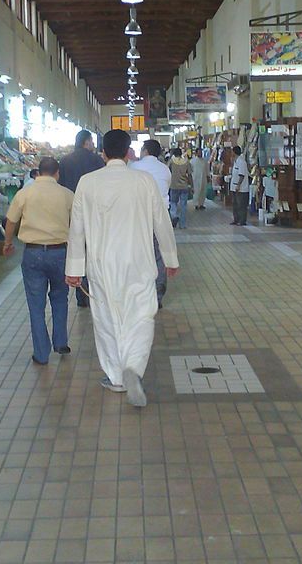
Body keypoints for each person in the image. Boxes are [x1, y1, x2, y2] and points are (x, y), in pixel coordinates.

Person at [66, 129, 179, 407]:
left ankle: (116, 377)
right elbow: (161, 222)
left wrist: (74, 268)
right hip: (139, 261)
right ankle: (134, 367)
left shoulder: (87, 182)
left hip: (102, 264)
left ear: (102, 152)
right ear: (129, 152)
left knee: (106, 318)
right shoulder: (144, 181)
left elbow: (76, 228)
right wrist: (170, 259)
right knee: (142, 316)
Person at [3, 157, 74, 365]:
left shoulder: (25, 193)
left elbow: (11, 221)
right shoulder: (67, 194)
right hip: (60, 252)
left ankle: (41, 354)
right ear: (57, 173)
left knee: (36, 304)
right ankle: (60, 342)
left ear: (38, 173)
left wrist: (8, 242)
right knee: (60, 298)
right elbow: (77, 223)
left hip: (33, 254)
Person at [57, 129, 104, 307]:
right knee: (93, 250)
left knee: (77, 248)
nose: (92, 144)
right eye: (91, 141)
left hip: (72, 211)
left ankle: (81, 294)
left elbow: (61, 186)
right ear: (86, 141)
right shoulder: (97, 160)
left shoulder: (65, 161)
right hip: (95, 212)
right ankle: (94, 290)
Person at [131, 139, 172, 308]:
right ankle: (158, 293)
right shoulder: (165, 169)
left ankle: (142, 292)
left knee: (139, 254)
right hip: (161, 216)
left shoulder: (134, 168)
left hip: (139, 216)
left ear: (145, 150)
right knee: (158, 254)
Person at [168, 147, 193, 229]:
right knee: (183, 206)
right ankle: (182, 225)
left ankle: (174, 216)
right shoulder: (186, 162)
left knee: (173, 203)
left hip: (174, 186)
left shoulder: (171, 162)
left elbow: (167, 171)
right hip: (184, 186)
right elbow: (189, 175)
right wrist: (192, 186)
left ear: (174, 154)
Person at [229, 145, 250, 226]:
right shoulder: (236, 161)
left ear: (234, 152)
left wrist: (238, 185)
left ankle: (242, 221)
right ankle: (236, 219)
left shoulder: (241, 162)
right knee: (235, 204)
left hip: (241, 188)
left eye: (232, 151)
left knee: (241, 205)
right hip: (234, 187)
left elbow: (242, 175)